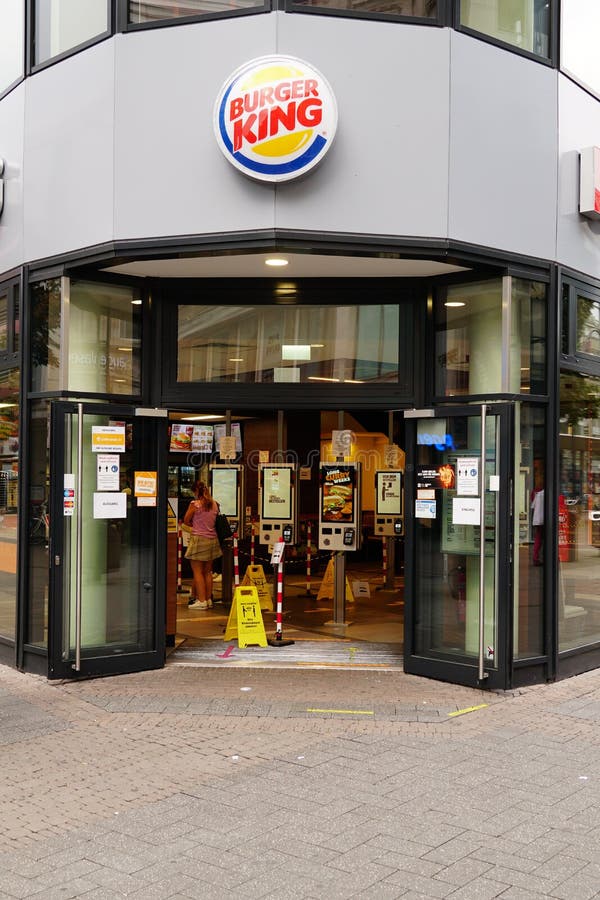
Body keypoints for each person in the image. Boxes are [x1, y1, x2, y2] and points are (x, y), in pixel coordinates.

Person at [183, 481, 222, 609]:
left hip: (199, 540)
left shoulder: (195, 504)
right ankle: (208, 599)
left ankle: (201, 600)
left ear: (195, 492)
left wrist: (194, 525)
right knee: (207, 572)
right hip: (212, 540)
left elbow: (186, 520)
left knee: (197, 572)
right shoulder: (215, 504)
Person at [531, 486, 544, 566]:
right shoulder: (542, 493)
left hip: (537, 519)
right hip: (542, 519)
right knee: (539, 539)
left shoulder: (536, 493)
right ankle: (536, 558)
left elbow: (533, 505)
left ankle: (536, 558)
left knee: (538, 539)